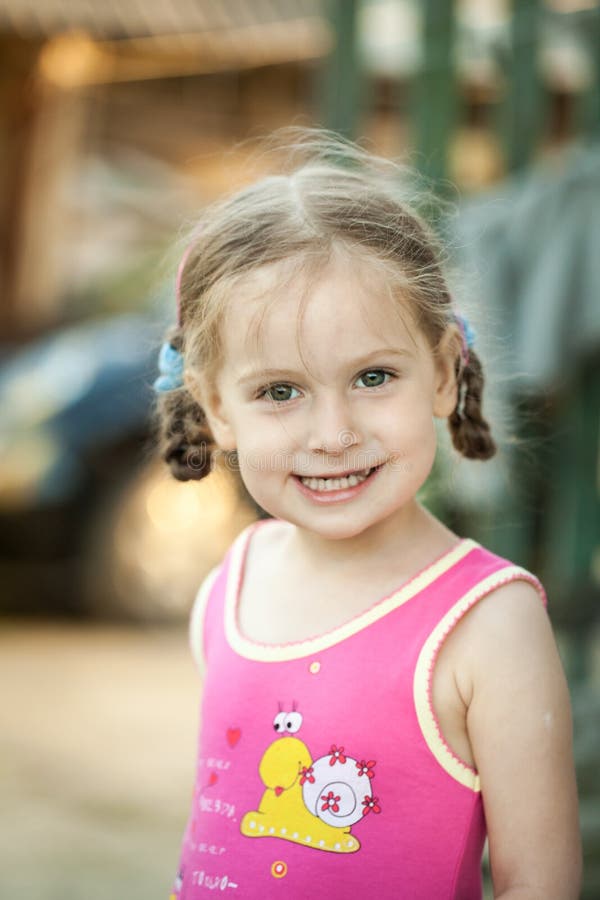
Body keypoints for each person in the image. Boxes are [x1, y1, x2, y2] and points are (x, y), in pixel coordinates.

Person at [152, 130, 581, 899]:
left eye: (373, 376)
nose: (334, 434)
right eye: (280, 391)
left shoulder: (489, 623)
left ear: (446, 374)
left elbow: (539, 883)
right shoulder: (231, 587)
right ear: (216, 407)